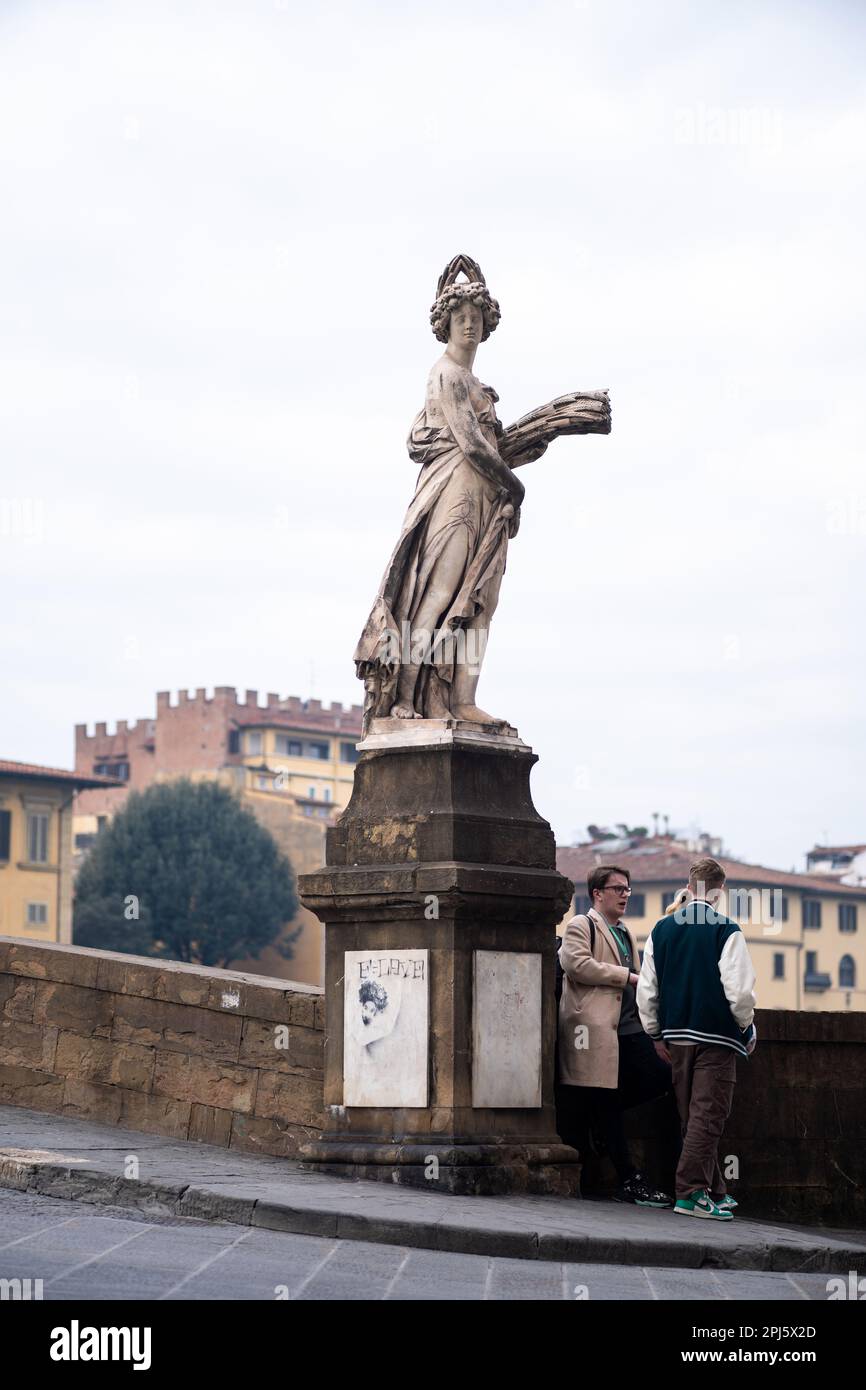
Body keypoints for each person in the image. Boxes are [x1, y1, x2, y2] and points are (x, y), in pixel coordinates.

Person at [637, 856, 757, 1221]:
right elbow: (740, 992)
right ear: (720, 892)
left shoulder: (661, 929)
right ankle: (690, 1192)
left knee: (694, 1116)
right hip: (716, 1037)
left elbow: (647, 990)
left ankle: (714, 1190)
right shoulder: (726, 929)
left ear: (689, 888)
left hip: (675, 1035)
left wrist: (655, 1033)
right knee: (709, 1115)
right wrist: (746, 1027)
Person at [557, 865, 676, 1206]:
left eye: (628, 889)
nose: (625, 894)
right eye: (619, 889)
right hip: (593, 1029)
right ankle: (630, 1178)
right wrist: (627, 977)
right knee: (605, 1098)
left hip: (628, 1026)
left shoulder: (626, 933)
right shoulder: (582, 924)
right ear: (598, 893)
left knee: (661, 1076)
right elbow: (575, 964)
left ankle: (604, 1132)